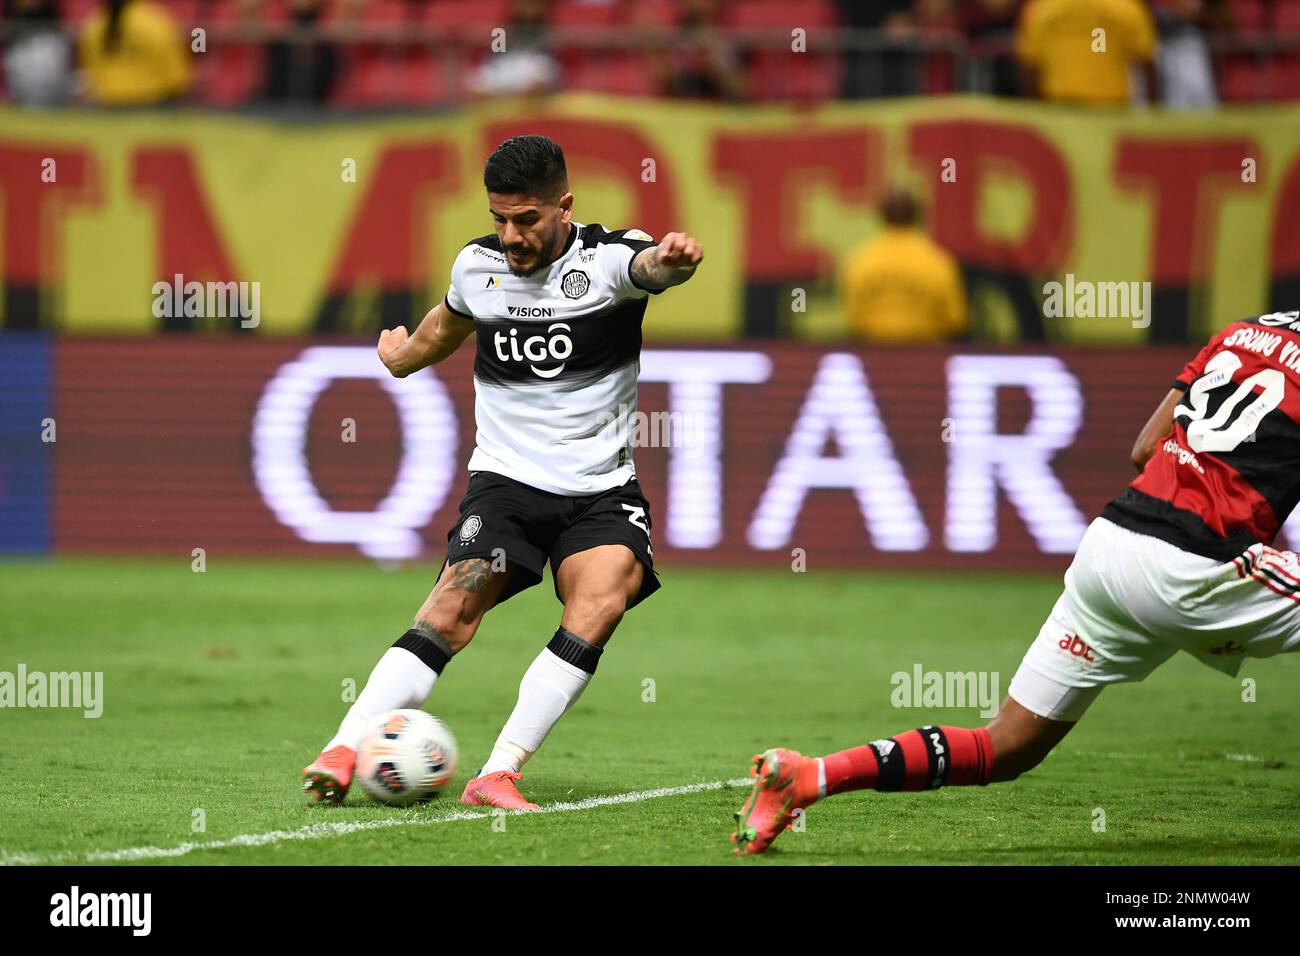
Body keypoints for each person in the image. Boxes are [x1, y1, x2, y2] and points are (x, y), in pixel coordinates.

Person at [734, 309, 1300, 854]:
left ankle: (809, 777)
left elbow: (1145, 449)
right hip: (1197, 563)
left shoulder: (1244, 331)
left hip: (1109, 549)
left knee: (1003, 747)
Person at [302, 135, 704, 810]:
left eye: (527, 220)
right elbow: (448, 323)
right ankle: (344, 746)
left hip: (599, 491)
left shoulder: (605, 261)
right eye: (500, 220)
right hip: (507, 486)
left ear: (564, 205)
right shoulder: (478, 267)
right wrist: (403, 358)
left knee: (601, 601)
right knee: (452, 609)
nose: (512, 236)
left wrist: (674, 261)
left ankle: (498, 773)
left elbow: (652, 269)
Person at [840, 188, 967, 343]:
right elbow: (956, 320)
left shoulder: (860, 261)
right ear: (916, 215)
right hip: (926, 358)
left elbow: (853, 320)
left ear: (882, 215)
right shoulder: (937, 261)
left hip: (874, 356)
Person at [1015, 0, 1158, 106]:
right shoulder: (1125, 7)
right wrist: (1152, 114)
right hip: (1110, 109)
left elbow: (1029, 67)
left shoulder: (1041, 8)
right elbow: (1147, 64)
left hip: (1060, 109)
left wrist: (1038, 114)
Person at [78, 0, 192, 106]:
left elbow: (90, 68)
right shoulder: (156, 21)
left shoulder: (97, 22)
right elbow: (176, 76)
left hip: (106, 104)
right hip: (151, 103)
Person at [3, 0, 74, 107]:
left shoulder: (51, 12)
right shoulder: (11, 9)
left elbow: (62, 27)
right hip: (21, 50)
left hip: (49, 48)